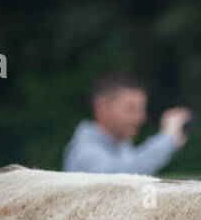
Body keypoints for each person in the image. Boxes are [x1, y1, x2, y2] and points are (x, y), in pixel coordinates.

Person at [62, 72, 190, 174]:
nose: (141, 118)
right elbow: (123, 177)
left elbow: (135, 165)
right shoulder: (84, 153)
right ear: (102, 108)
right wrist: (167, 139)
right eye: (131, 109)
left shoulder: (122, 147)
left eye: (142, 109)